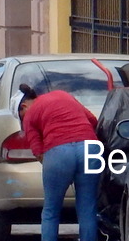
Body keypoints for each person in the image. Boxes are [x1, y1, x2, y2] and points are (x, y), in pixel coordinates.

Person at [19, 82, 102, 241]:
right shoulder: (63, 95)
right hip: (90, 148)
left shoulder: (29, 115)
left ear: (23, 106)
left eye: (20, 116)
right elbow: (92, 120)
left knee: (51, 210)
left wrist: (52, 166)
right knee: (87, 208)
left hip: (59, 152)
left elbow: (37, 148)